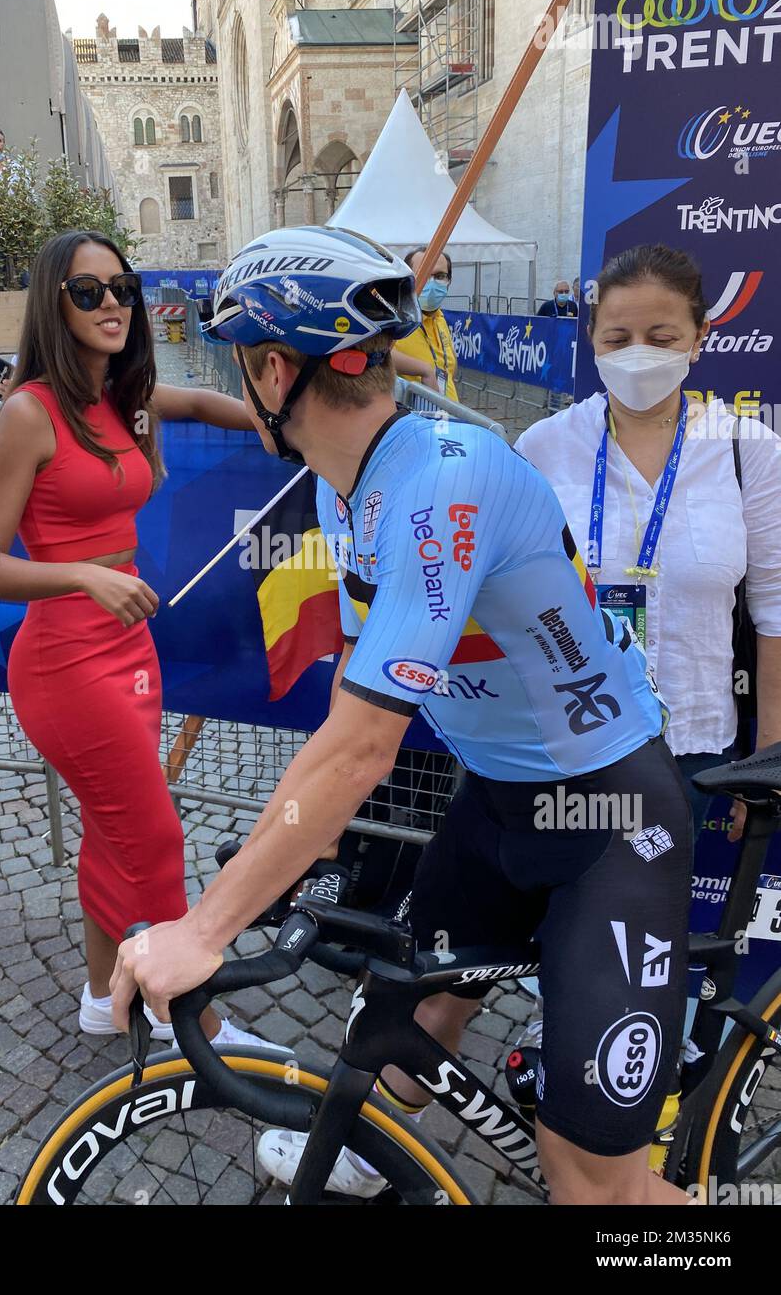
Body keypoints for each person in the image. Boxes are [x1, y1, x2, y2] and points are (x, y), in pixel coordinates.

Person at [110, 224, 695, 1206]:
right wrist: (279, 861)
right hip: (502, 802)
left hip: (607, 818)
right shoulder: (356, 488)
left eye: (234, 362)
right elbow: (358, 702)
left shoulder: (440, 481)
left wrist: (204, 929)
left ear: (268, 368)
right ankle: (371, 1149)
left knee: (589, 1180)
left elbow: (363, 747)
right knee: (401, 1013)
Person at [0, 228, 285, 1050]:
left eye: (122, 288)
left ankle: (104, 999)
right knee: (154, 835)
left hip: (127, 648)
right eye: (87, 292)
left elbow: (213, 406)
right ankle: (193, 1019)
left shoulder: (127, 396)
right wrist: (81, 575)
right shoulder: (29, 412)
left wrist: (297, 416)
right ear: (52, 303)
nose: (111, 304)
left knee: (113, 830)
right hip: (66, 661)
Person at [517, 244, 781, 837]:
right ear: (592, 338)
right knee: (561, 920)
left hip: (693, 745)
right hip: (562, 743)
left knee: (657, 923)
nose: (638, 355)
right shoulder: (543, 448)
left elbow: (775, 610)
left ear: (700, 336)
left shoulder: (748, 450)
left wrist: (769, 757)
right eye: (618, 338)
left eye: (661, 338)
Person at [391, 246, 459, 400]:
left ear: (449, 280)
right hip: (414, 416)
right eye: (424, 274)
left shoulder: (439, 317)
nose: (432, 282)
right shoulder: (395, 315)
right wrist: (424, 369)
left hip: (447, 415)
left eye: (440, 276)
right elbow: (376, 353)